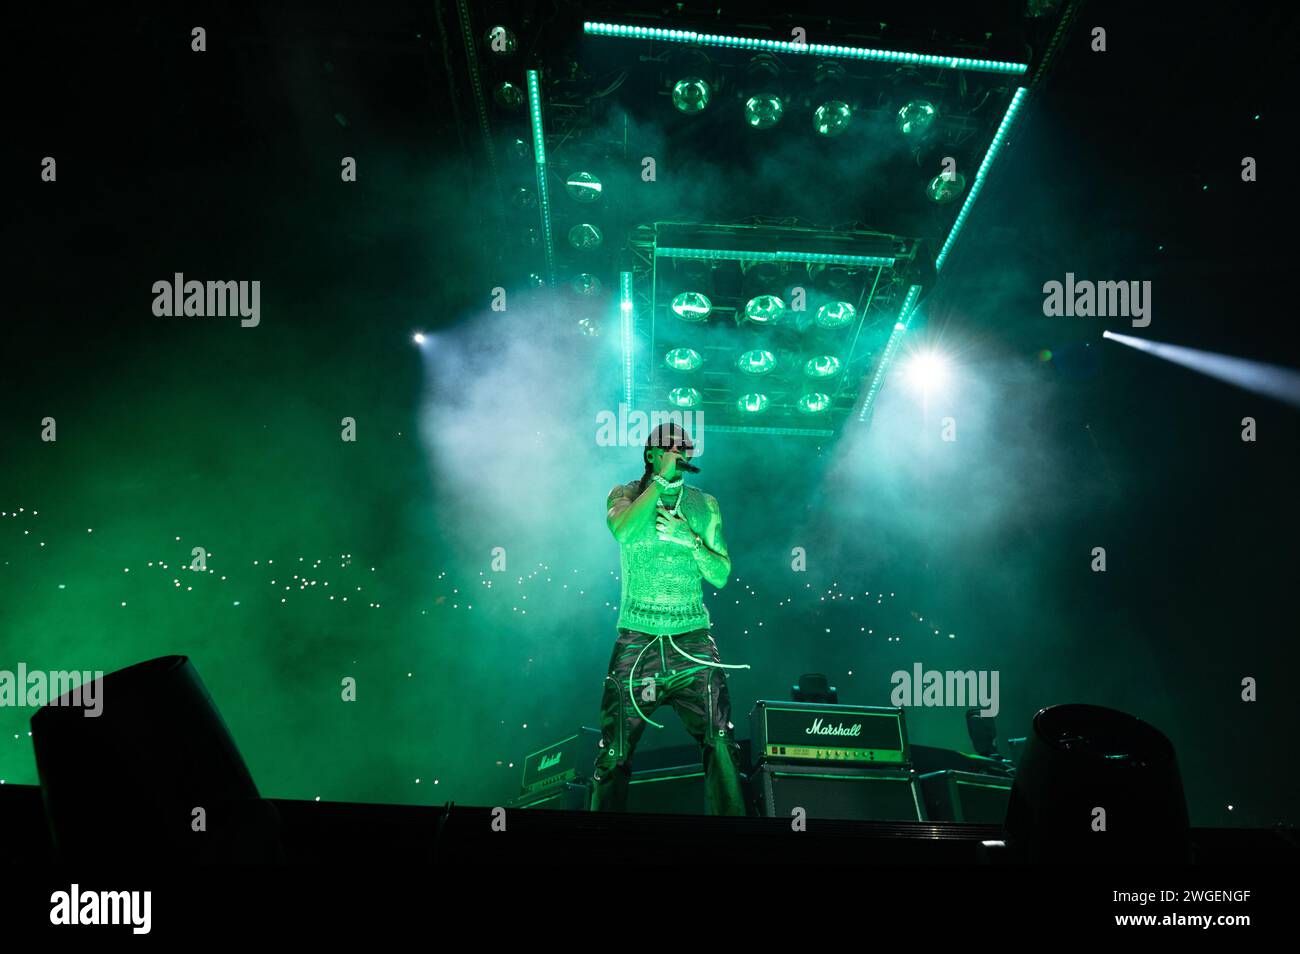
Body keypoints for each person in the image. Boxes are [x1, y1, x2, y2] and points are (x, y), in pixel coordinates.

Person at [590, 422, 747, 815]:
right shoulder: (625, 493)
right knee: (614, 750)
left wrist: (688, 539)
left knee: (722, 742)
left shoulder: (704, 504)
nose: (681, 451)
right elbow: (623, 532)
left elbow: (722, 575)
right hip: (637, 642)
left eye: (686, 447)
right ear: (651, 453)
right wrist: (658, 483)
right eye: (671, 446)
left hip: (692, 642)